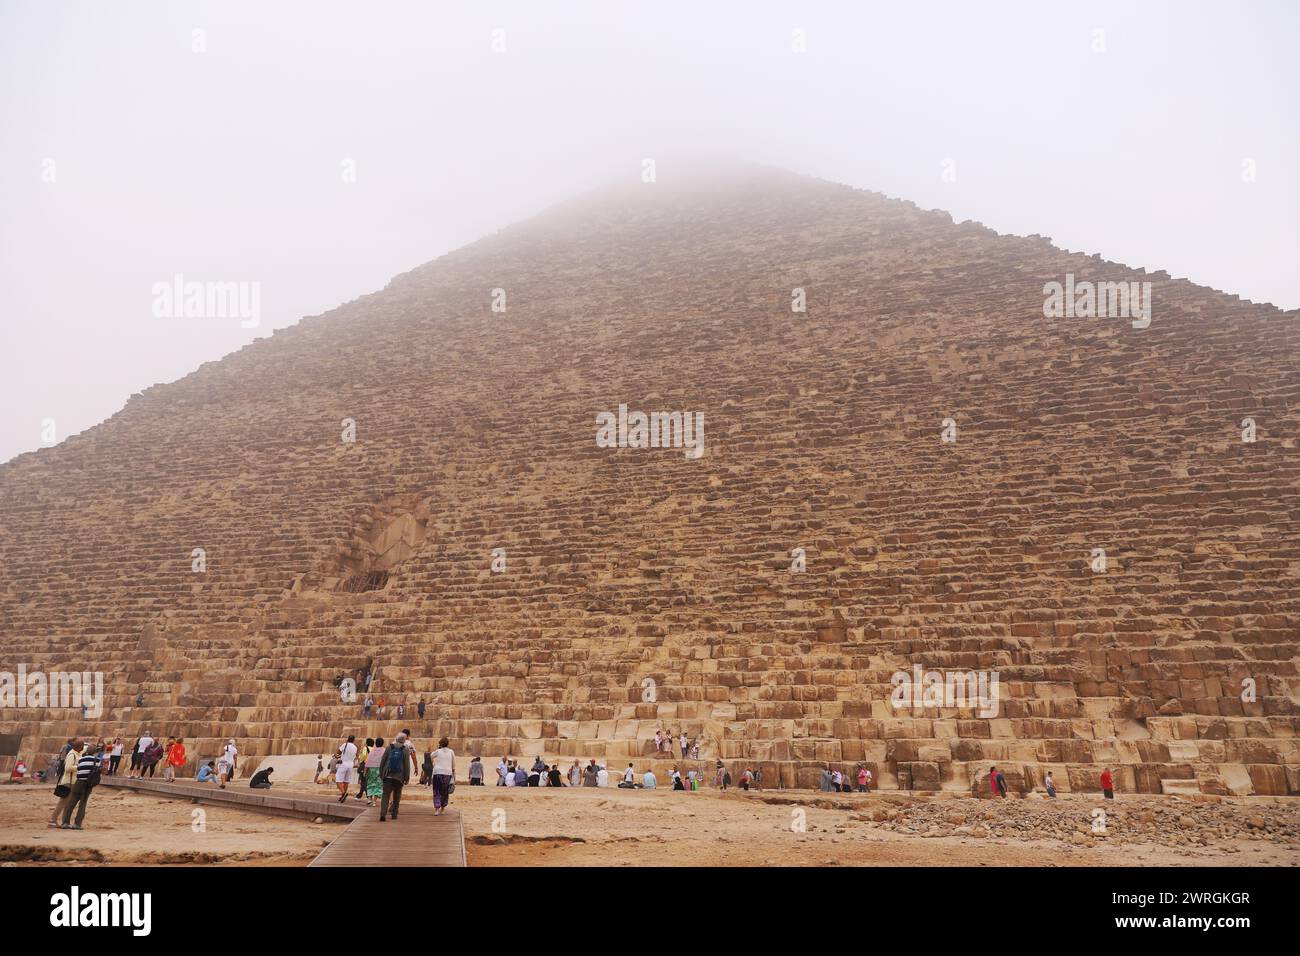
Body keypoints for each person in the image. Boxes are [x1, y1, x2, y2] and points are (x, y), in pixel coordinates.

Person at [62, 741, 102, 829]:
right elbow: (98, 770)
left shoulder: (81, 759)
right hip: (88, 783)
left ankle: (65, 822)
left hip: (78, 782)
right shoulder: (97, 760)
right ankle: (77, 824)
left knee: (71, 802)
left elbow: (79, 769)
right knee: (82, 804)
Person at [48, 738, 83, 827]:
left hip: (73, 781)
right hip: (68, 782)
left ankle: (64, 822)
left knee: (67, 803)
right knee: (63, 802)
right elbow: (67, 768)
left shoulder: (77, 754)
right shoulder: (71, 754)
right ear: (79, 746)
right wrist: (79, 767)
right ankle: (52, 820)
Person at [379, 732, 412, 821]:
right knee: (397, 796)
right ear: (404, 740)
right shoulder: (405, 750)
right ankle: (394, 814)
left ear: (396, 738)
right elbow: (407, 765)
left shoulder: (389, 747)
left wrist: (381, 773)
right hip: (399, 777)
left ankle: (383, 814)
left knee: (385, 795)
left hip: (388, 775)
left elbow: (383, 761)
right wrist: (407, 777)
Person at [430, 736, 455, 814]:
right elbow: (453, 763)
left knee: (436, 790)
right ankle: (443, 808)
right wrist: (453, 772)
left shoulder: (438, 751)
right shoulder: (451, 751)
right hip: (447, 773)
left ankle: (437, 809)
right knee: (444, 791)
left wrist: (433, 763)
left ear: (440, 744)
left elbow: (431, 756)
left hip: (437, 772)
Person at [363, 737, 385, 806]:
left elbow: (368, 761)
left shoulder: (372, 751)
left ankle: (369, 799)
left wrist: (365, 771)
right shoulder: (384, 750)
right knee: (378, 785)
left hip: (371, 769)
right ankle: (374, 802)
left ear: (376, 743)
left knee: (370, 784)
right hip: (380, 770)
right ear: (382, 743)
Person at [335, 735, 357, 803]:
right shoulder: (355, 747)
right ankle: (342, 796)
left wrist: (337, 755)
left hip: (343, 763)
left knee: (338, 780)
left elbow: (338, 752)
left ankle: (343, 793)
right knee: (346, 781)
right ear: (354, 740)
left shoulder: (345, 744)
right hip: (351, 764)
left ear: (348, 739)